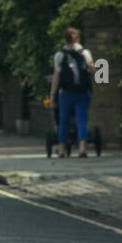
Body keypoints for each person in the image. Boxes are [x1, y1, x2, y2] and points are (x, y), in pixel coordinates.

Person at [49, 26, 94, 158]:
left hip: (65, 93)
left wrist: (52, 96)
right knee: (82, 119)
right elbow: (92, 70)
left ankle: (62, 149)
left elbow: (56, 77)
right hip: (82, 92)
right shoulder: (85, 53)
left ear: (65, 39)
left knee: (64, 120)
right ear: (78, 38)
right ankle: (82, 148)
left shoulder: (59, 55)